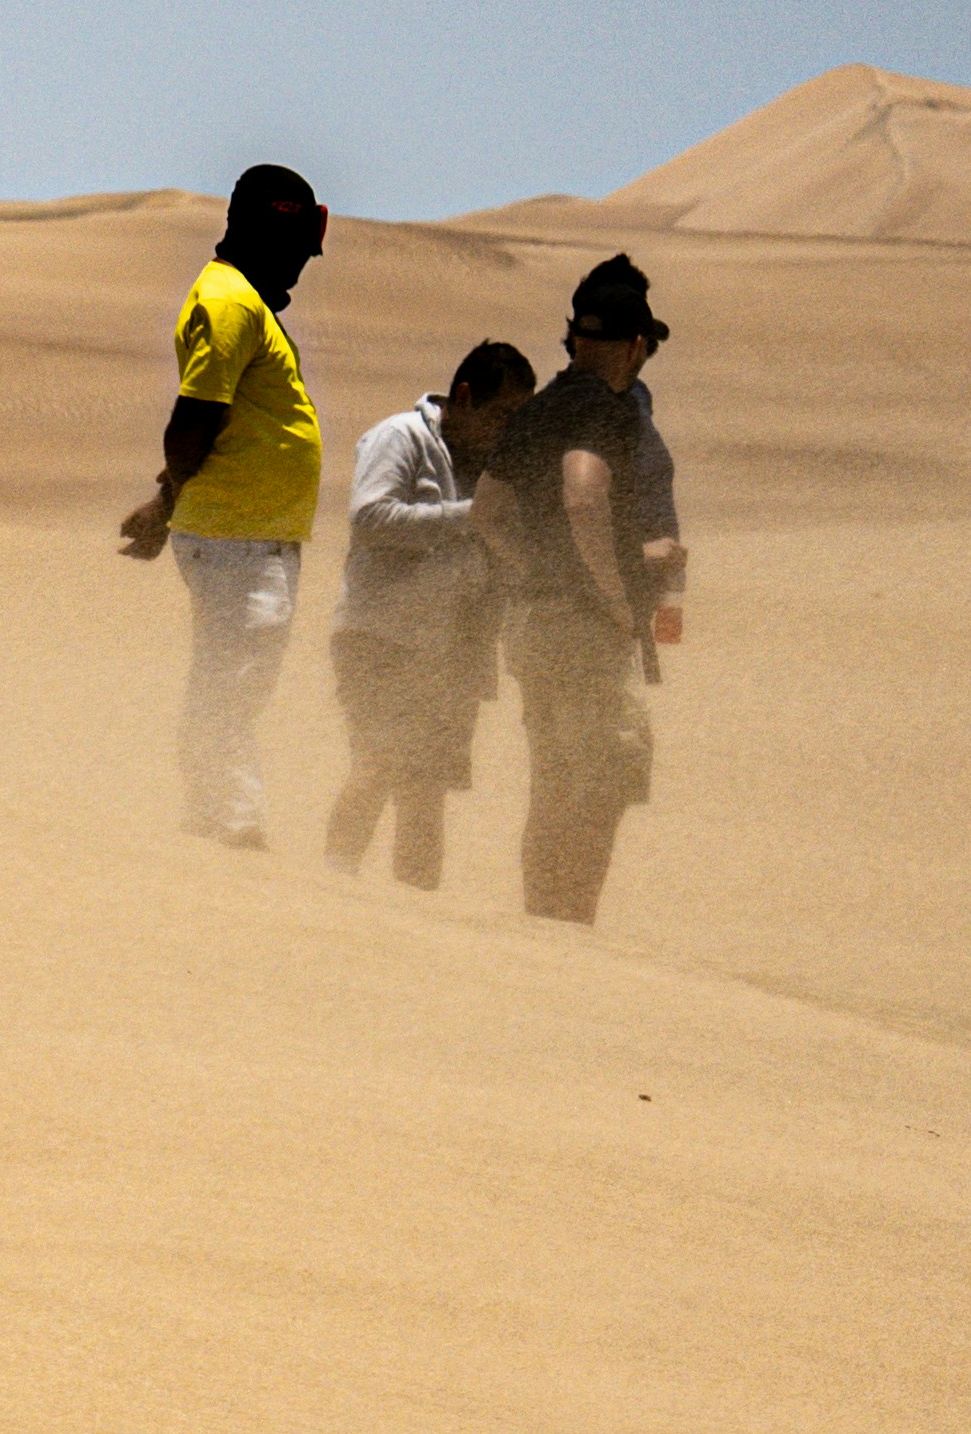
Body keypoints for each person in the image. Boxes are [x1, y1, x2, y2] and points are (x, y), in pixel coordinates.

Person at [115, 163, 330, 844]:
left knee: (232, 681)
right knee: (232, 686)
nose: (297, 268)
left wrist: (163, 503)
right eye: (290, 250)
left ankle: (219, 820)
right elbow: (193, 422)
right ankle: (230, 832)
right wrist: (166, 502)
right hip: (235, 537)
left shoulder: (244, 302)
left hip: (251, 534)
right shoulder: (230, 303)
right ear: (251, 233)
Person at [470, 254, 686, 923]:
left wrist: (535, 573)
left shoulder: (538, 409)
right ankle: (572, 921)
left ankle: (544, 921)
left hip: (534, 625)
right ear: (636, 345)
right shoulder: (604, 405)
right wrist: (615, 599)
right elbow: (585, 494)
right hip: (586, 628)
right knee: (606, 779)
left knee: (556, 782)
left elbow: (485, 512)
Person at [320, 340, 541, 889]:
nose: (507, 430)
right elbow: (370, 517)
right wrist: (473, 513)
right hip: (381, 637)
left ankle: (418, 917)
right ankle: (328, 890)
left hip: (451, 652)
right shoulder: (401, 436)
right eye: (502, 415)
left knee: (426, 791)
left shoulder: (495, 465)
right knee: (377, 765)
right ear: (463, 397)